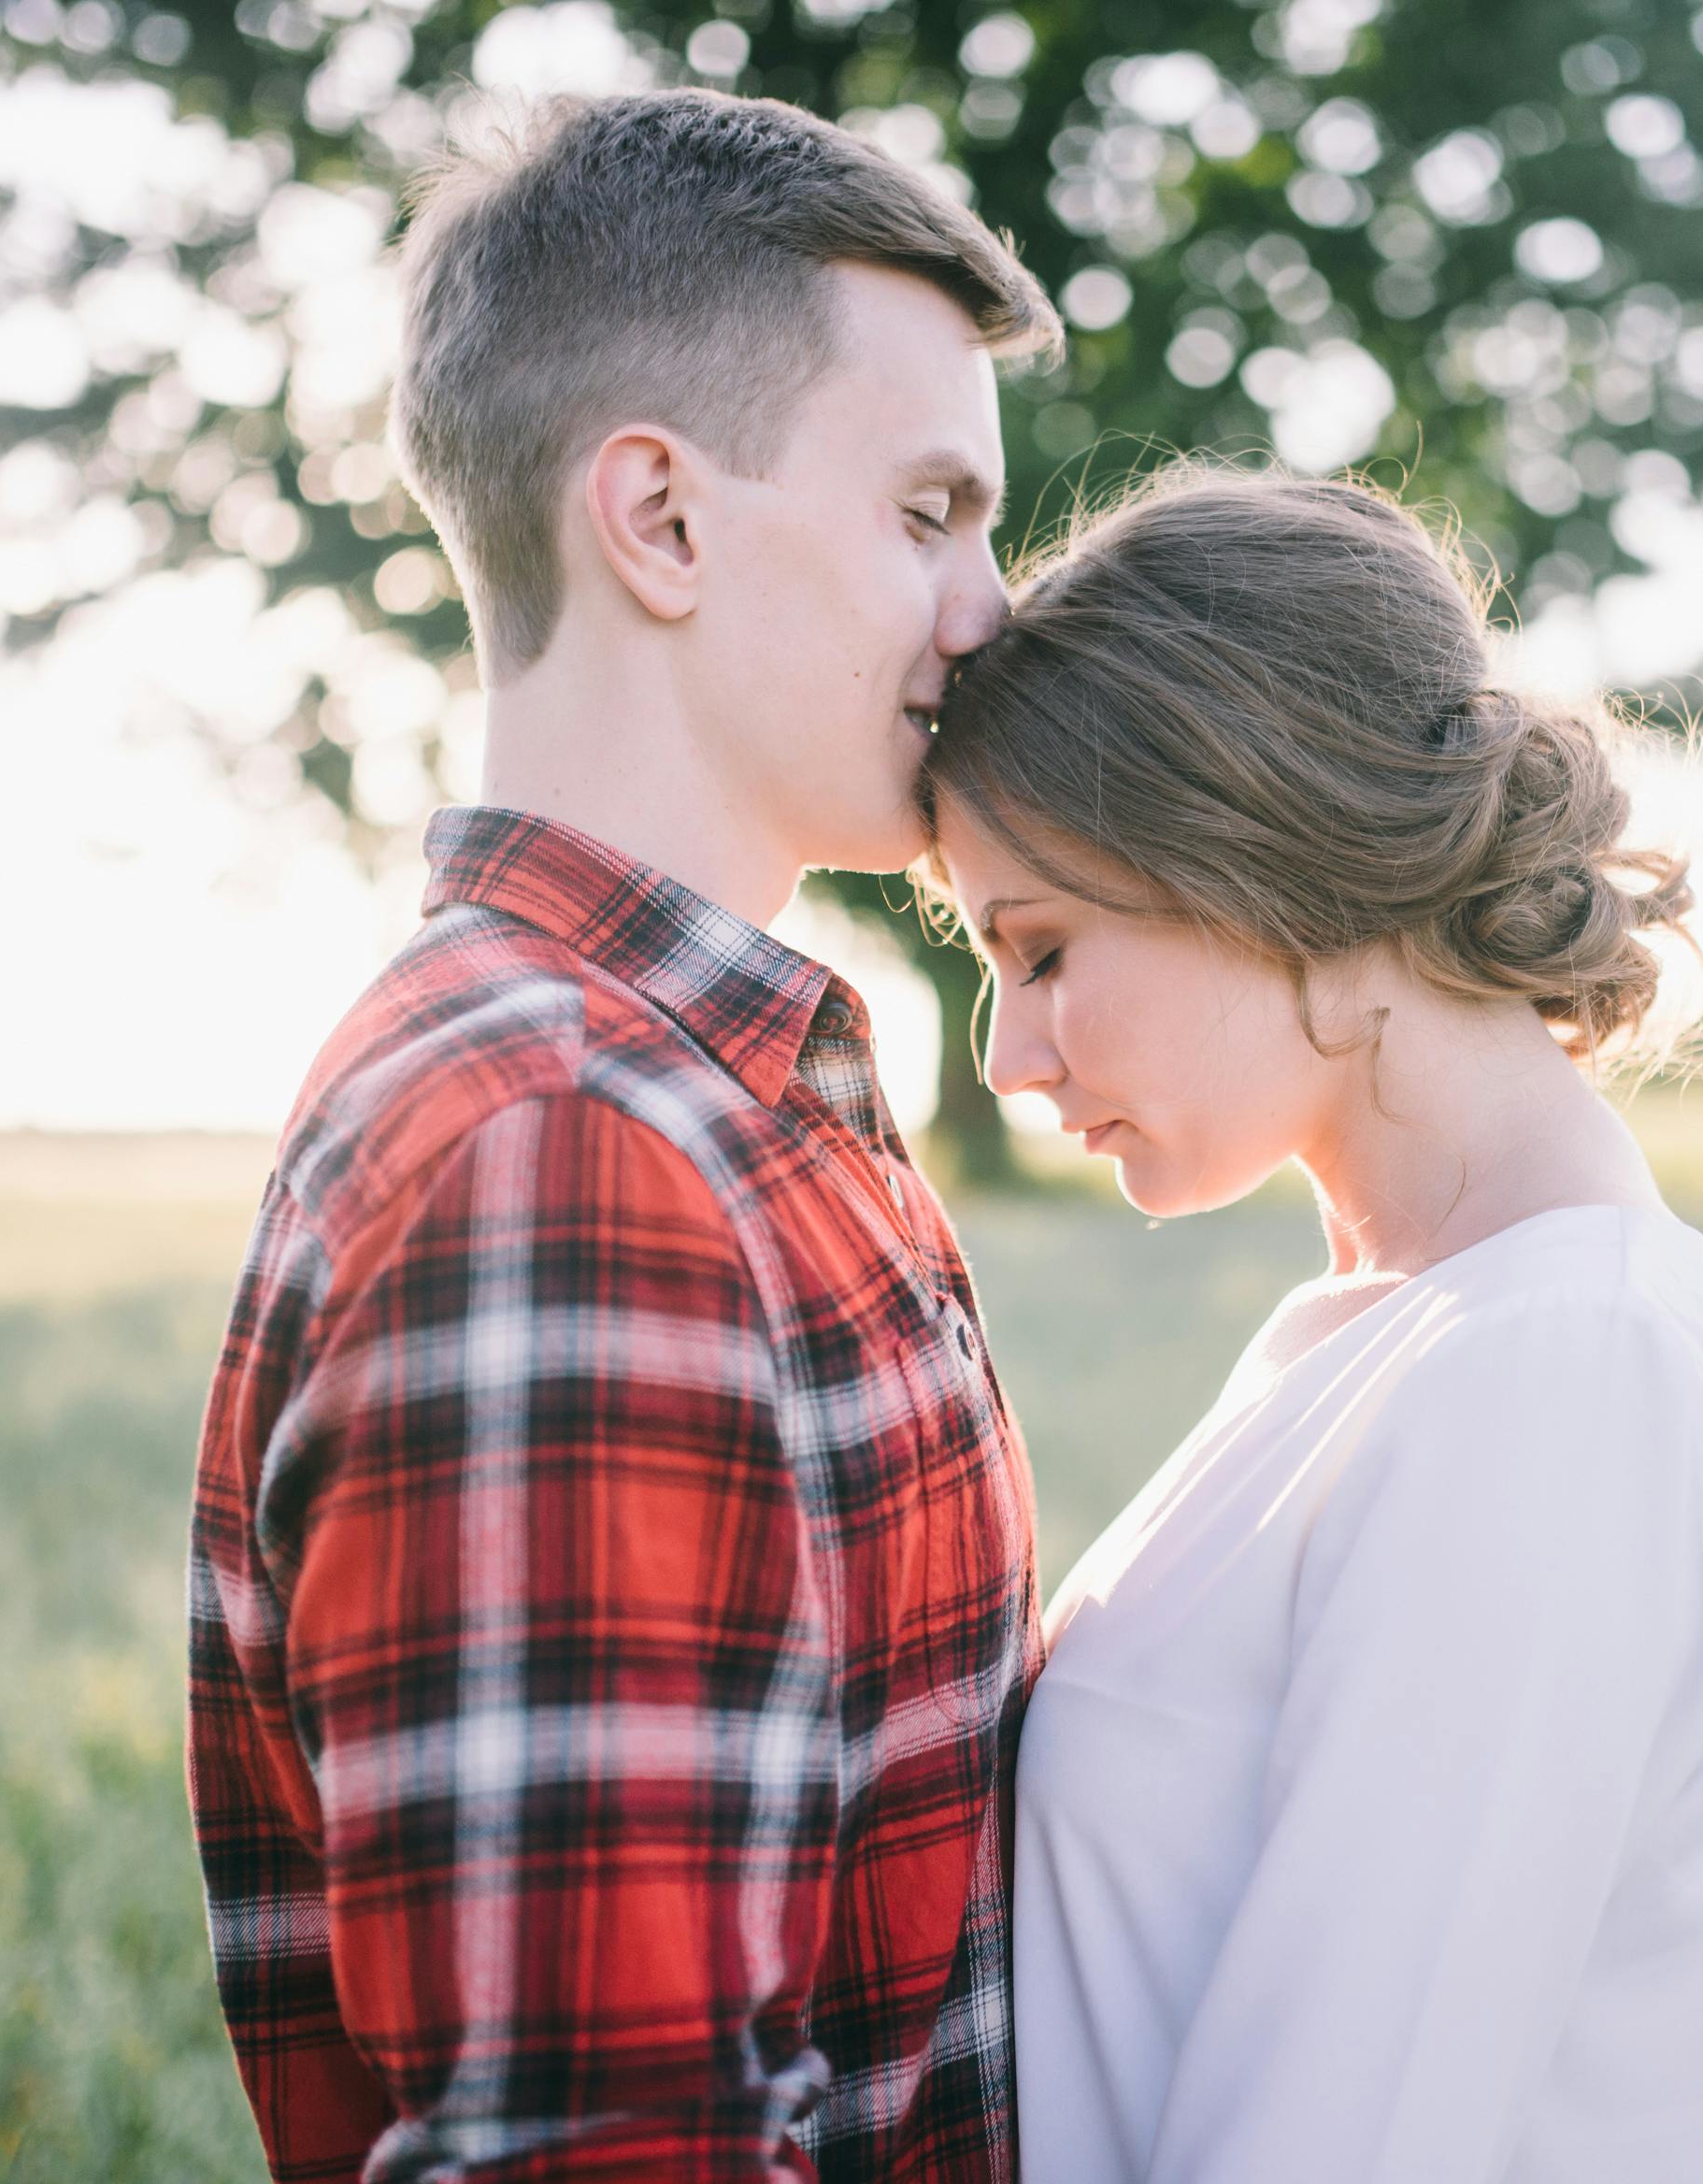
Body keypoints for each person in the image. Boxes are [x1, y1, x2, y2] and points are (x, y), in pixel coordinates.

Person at [182, 91, 1058, 2182]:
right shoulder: (560, 1156)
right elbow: (601, 2144)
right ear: (658, 520)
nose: (989, 607)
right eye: (930, 511)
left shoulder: (693, 1089)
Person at [921, 466, 1703, 2183]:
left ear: (1262, 861)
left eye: (1037, 952)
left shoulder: (1563, 1372)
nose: (1004, 1056)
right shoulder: (1390, 1338)